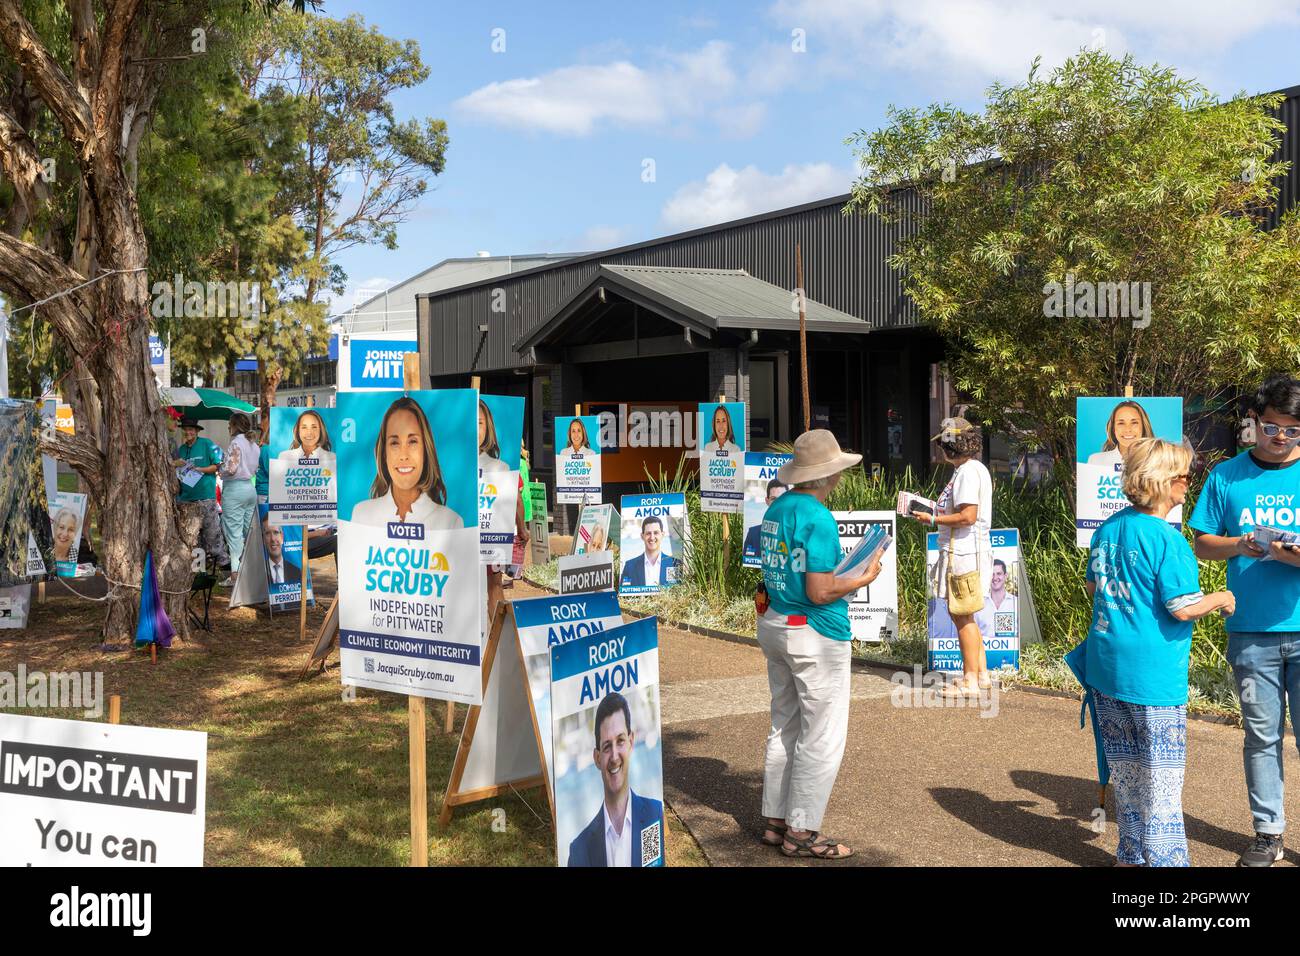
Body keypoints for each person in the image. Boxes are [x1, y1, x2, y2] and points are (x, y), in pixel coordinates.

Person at [1079, 437, 1235, 867]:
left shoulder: (1109, 528)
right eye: (1184, 476)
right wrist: (1222, 596)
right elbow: (1182, 608)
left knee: (1127, 776)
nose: (1189, 484)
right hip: (1153, 675)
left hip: (1107, 667)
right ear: (1163, 482)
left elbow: (1094, 587)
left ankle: (1130, 855)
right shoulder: (1168, 540)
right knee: (1162, 781)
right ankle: (1166, 862)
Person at [1190, 375, 1300, 867]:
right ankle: (1268, 833)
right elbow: (1202, 542)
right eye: (1274, 428)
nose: (1282, 439)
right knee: (1261, 735)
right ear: (1255, 422)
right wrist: (1242, 545)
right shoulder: (1226, 476)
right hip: (1251, 631)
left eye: (1295, 431)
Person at [757, 429, 882, 860]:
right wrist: (861, 578)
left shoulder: (778, 508)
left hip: (775, 622)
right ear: (830, 475)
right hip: (814, 633)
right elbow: (820, 591)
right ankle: (802, 831)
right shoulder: (819, 518)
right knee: (822, 735)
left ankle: (776, 822)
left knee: (785, 724)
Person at [912, 417, 993, 698]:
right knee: (966, 613)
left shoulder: (967, 473)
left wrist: (933, 517)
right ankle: (981, 674)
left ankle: (970, 679)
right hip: (968, 550)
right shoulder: (971, 469)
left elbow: (968, 516)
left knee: (961, 615)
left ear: (950, 446)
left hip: (964, 552)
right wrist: (935, 511)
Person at [567, 692, 664, 867]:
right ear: (597, 758)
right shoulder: (579, 850)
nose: (614, 756)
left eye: (620, 741)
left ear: (631, 742)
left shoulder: (653, 814)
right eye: (606, 746)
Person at [351, 396, 464, 532]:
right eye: (394, 443)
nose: (404, 456)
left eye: (412, 442)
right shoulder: (361, 516)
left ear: (425, 450)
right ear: (384, 454)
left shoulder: (451, 522)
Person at [172, 417, 229, 572]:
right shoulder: (181, 449)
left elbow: (217, 465)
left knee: (212, 533)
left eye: (191, 429)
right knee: (193, 537)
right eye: (186, 429)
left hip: (205, 497)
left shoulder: (206, 444)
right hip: (186, 500)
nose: (188, 432)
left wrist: (199, 470)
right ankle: (199, 569)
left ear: (197, 431)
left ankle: (225, 567)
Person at [218, 412, 259, 588]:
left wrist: (221, 469)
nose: (228, 427)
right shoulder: (254, 444)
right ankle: (249, 573)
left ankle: (236, 576)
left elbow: (232, 468)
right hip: (250, 488)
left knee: (234, 535)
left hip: (234, 490)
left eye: (229, 424)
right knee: (247, 533)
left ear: (235, 425)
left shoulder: (236, 442)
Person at [1086, 400, 1154, 468]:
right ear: (1113, 428)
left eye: (1134, 423)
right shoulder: (1096, 461)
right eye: (1121, 423)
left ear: (1143, 426)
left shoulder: (1157, 461)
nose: (1127, 429)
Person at [619, 515, 678, 589]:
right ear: (642, 536)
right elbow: (625, 593)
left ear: (662, 535)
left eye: (656, 533)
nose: (652, 537)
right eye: (648, 533)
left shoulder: (675, 563)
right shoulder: (629, 566)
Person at [743, 478, 787, 560]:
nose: (778, 503)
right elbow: (749, 564)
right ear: (767, 501)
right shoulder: (753, 534)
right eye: (774, 499)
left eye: (782, 499)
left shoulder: (797, 534)